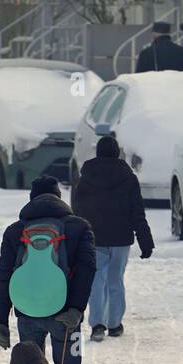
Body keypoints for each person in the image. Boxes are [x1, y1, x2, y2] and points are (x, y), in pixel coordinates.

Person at [0, 175, 96, 364]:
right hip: (67, 317)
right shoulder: (79, 227)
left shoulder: (14, 231)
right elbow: (87, 271)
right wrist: (77, 309)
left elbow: (4, 277)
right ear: (59, 197)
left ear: (31, 199)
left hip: (27, 311)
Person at [71, 135, 154, 342]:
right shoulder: (128, 178)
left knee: (96, 282)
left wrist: (76, 240)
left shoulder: (85, 178)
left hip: (94, 238)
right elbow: (137, 212)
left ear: (98, 152)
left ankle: (97, 325)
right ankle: (115, 324)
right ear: (117, 153)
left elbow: (77, 211)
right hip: (120, 239)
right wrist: (145, 240)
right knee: (116, 280)